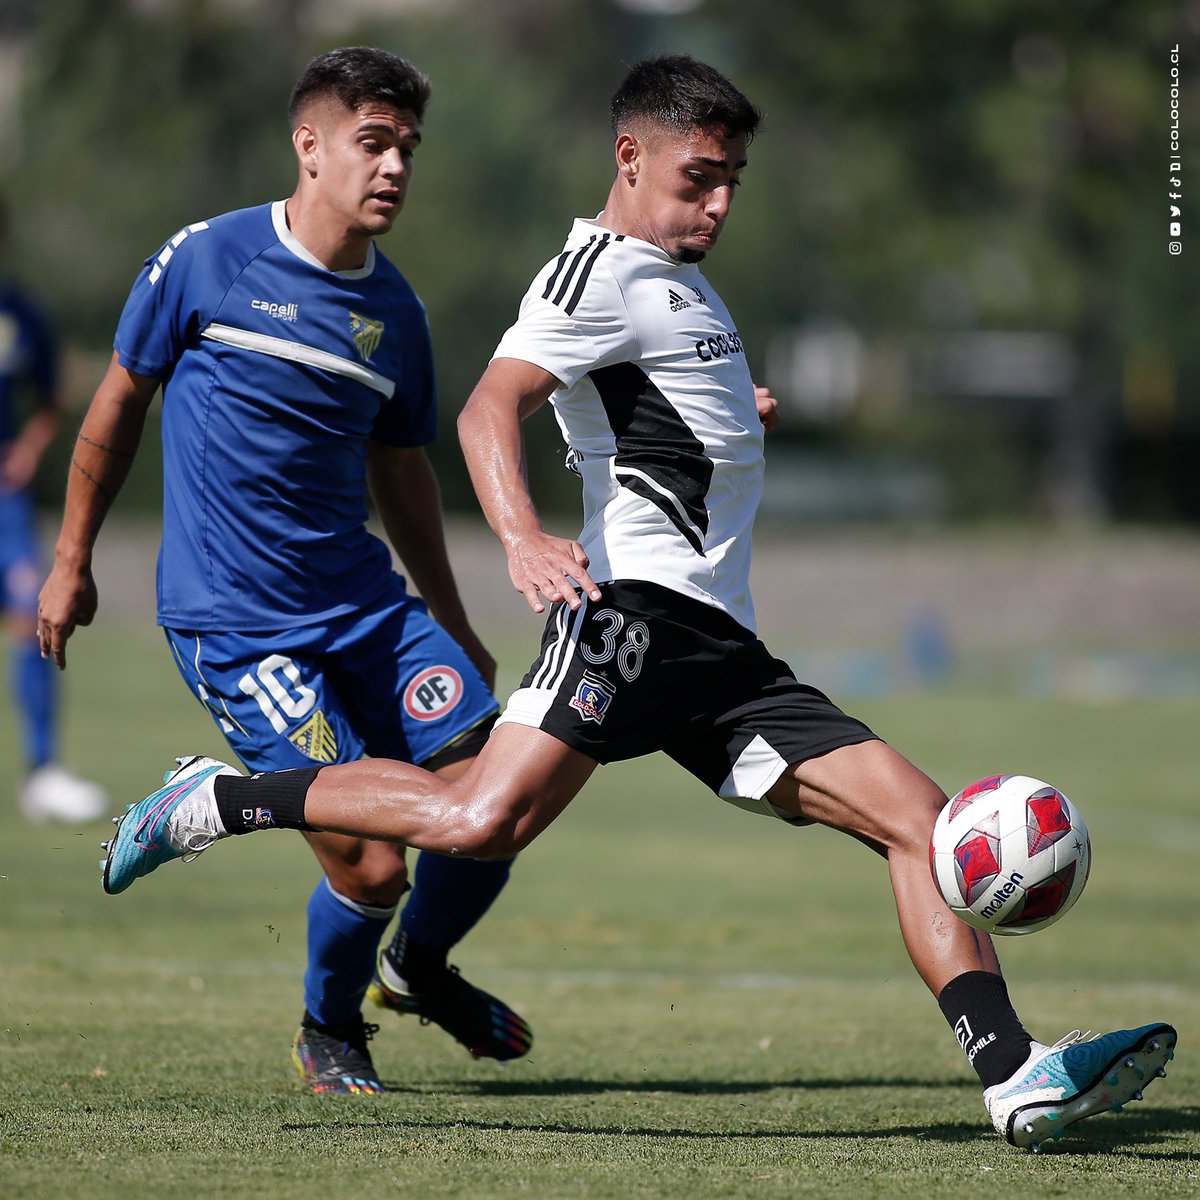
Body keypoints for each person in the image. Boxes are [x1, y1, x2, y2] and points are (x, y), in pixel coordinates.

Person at [92, 54, 1175, 1150]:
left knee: (923, 822)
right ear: (630, 157)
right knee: (478, 821)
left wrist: (734, 418)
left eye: (734, 181)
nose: (718, 203)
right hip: (632, 621)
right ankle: (218, 805)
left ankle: (1013, 1078)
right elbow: (486, 411)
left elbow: (649, 416)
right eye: (699, 177)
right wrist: (519, 535)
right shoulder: (592, 271)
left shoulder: (681, 281)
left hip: (724, 651)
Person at [36, 47, 533, 1096]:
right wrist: (70, 561)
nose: (394, 166)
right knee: (373, 859)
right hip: (239, 623)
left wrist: (450, 615)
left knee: (502, 793)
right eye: (373, 142)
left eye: (407, 147)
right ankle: (328, 1027)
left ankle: (420, 970)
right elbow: (118, 404)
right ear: (309, 146)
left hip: (364, 609)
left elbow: (403, 477)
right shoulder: (206, 261)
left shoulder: (396, 313)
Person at [0, 197, 107, 823]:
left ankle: (42, 771)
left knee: (29, 612)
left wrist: (31, 448)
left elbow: (53, 394)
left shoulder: (22, 314)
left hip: (5, 502)